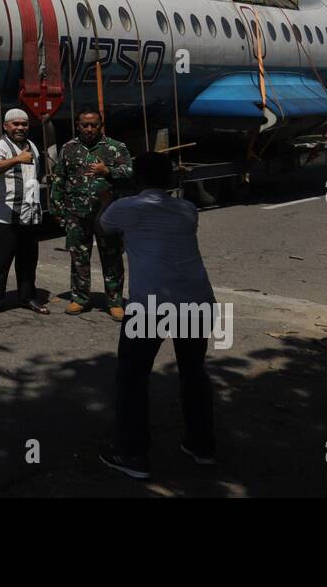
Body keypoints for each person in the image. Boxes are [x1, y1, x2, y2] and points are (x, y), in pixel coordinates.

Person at [97, 151, 216, 479]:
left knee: (132, 377)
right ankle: (201, 445)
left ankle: (132, 454)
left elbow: (104, 228)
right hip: (196, 299)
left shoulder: (126, 208)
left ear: (136, 178)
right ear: (170, 179)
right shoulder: (187, 209)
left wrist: (107, 196)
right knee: (193, 372)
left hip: (150, 305)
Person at [48, 106, 132, 318]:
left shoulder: (115, 148)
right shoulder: (68, 148)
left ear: (100, 126)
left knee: (112, 257)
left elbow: (130, 173)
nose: (89, 129)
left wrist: (108, 171)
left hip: (107, 214)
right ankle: (79, 298)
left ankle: (114, 301)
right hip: (77, 214)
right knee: (79, 258)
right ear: (78, 125)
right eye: (85, 125)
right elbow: (59, 179)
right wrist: (56, 208)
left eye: (93, 125)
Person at [0, 108, 49, 319]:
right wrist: (17, 159)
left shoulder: (32, 146)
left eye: (24, 124)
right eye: (15, 124)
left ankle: (27, 297)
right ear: (6, 126)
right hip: (4, 217)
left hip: (30, 216)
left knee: (28, 262)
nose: (20, 128)